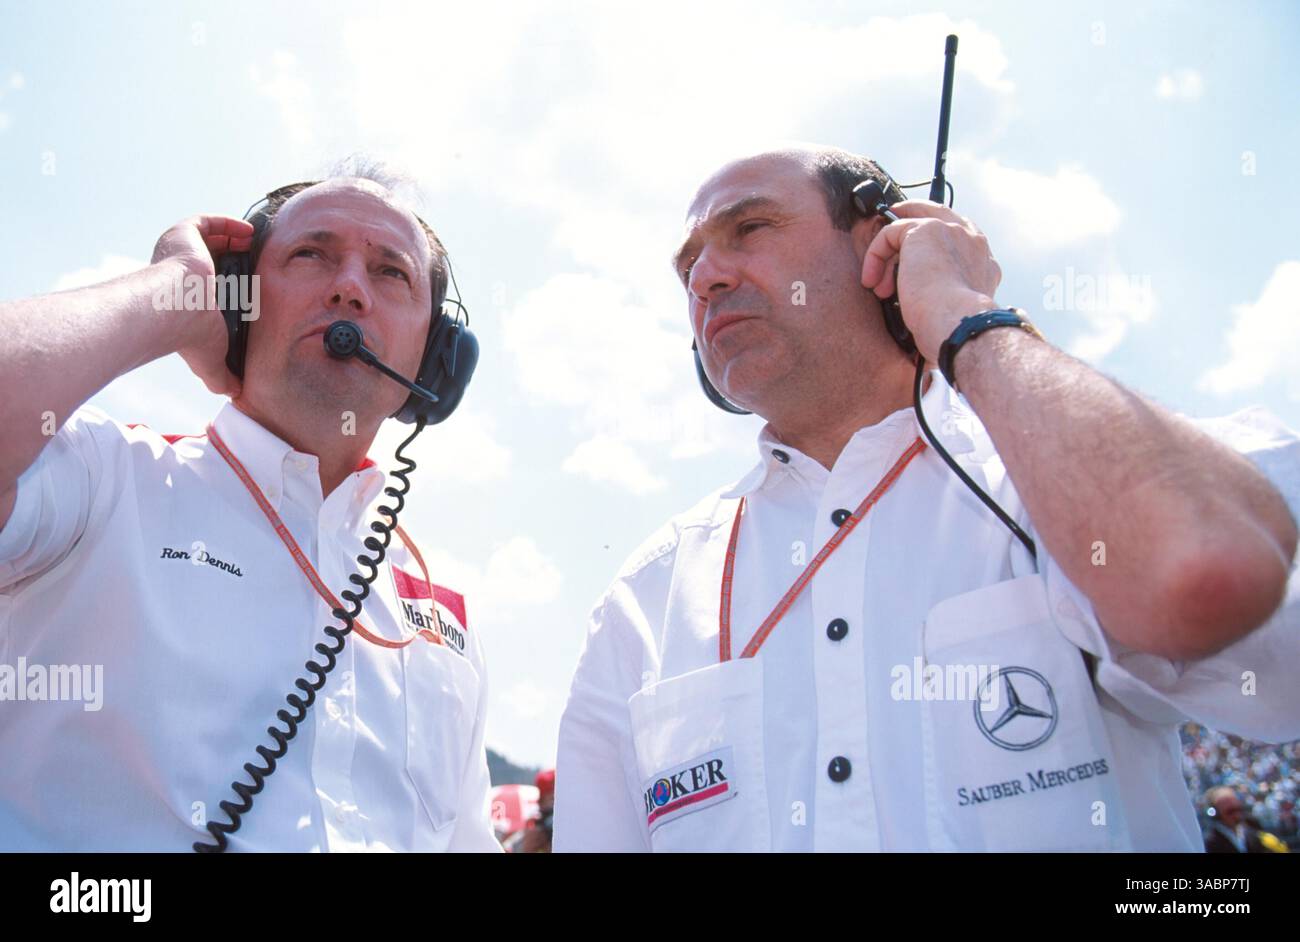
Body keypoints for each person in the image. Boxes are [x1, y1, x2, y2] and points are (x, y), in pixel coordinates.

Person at [553, 145, 1300, 852]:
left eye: (749, 228)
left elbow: (1208, 566)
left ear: (889, 245)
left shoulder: (1050, 488)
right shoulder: (642, 600)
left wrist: (965, 317)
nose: (705, 277)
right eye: (689, 264)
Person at [0, 166, 497, 852]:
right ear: (238, 303)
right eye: (311, 253)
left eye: (391, 274)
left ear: (436, 360)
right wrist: (171, 294)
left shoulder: (446, 615)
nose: (350, 286)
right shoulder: (104, 479)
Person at [1204, 787, 1289, 853]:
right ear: (1216, 814)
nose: (1236, 815)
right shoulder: (1211, 843)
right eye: (1230, 811)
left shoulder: (1253, 832)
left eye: (1238, 809)